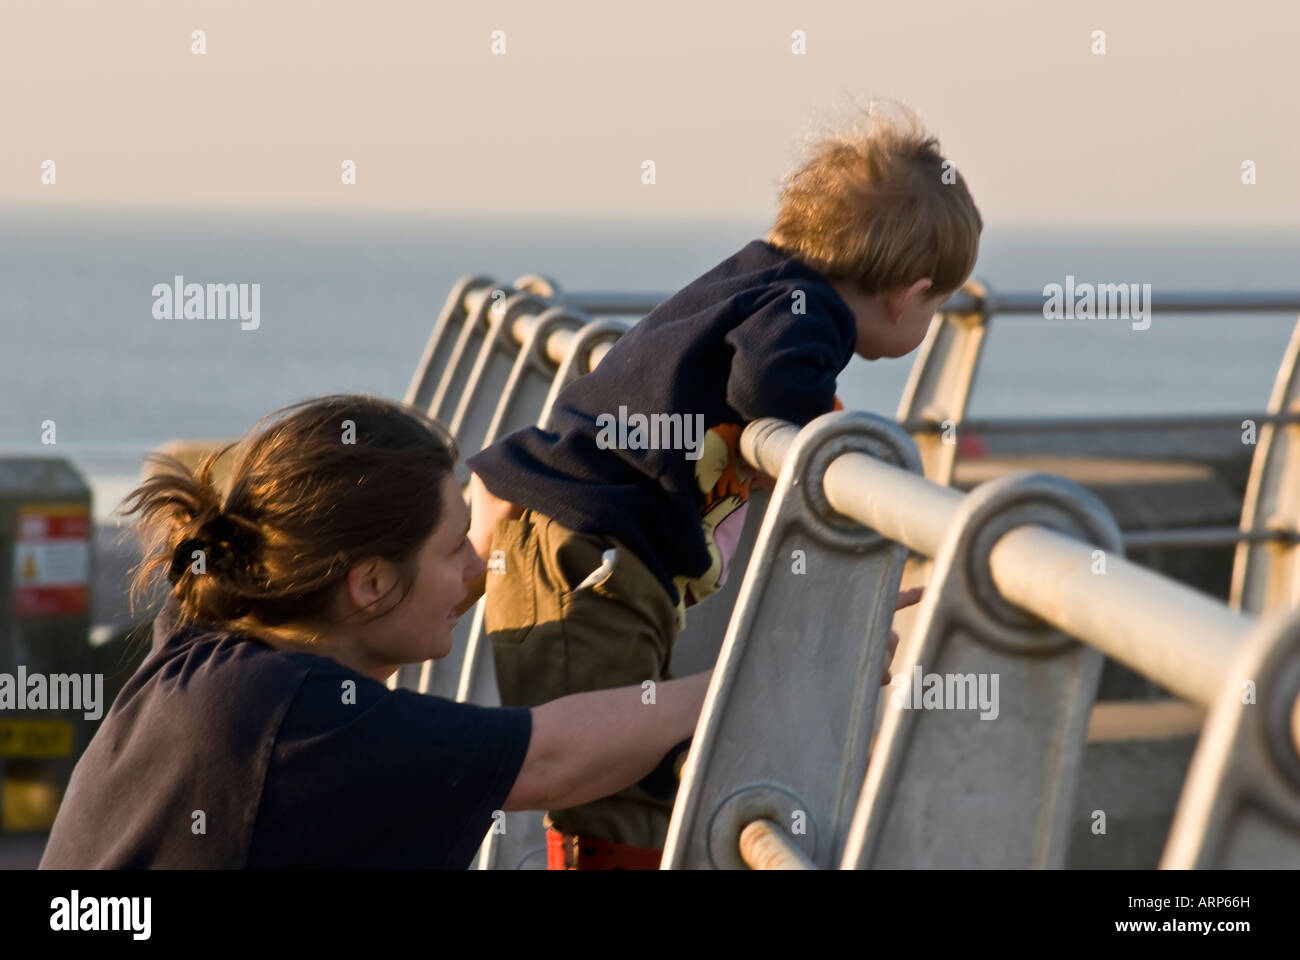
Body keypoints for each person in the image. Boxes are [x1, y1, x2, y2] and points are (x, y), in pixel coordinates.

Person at [464, 103, 983, 868]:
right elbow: (769, 387)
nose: (927, 319)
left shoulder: (761, 278)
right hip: (592, 556)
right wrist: (822, 444)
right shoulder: (811, 313)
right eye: (936, 304)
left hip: (596, 547)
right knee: (611, 778)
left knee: (629, 757)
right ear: (910, 293)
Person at [38, 394, 712, 869]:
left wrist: (479, 529)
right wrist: (732, 682)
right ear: (368, 584)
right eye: (455, 552)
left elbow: (386, 605)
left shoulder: (210, 634)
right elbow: (551, 760)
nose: (480, 567)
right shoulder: (304, 719)